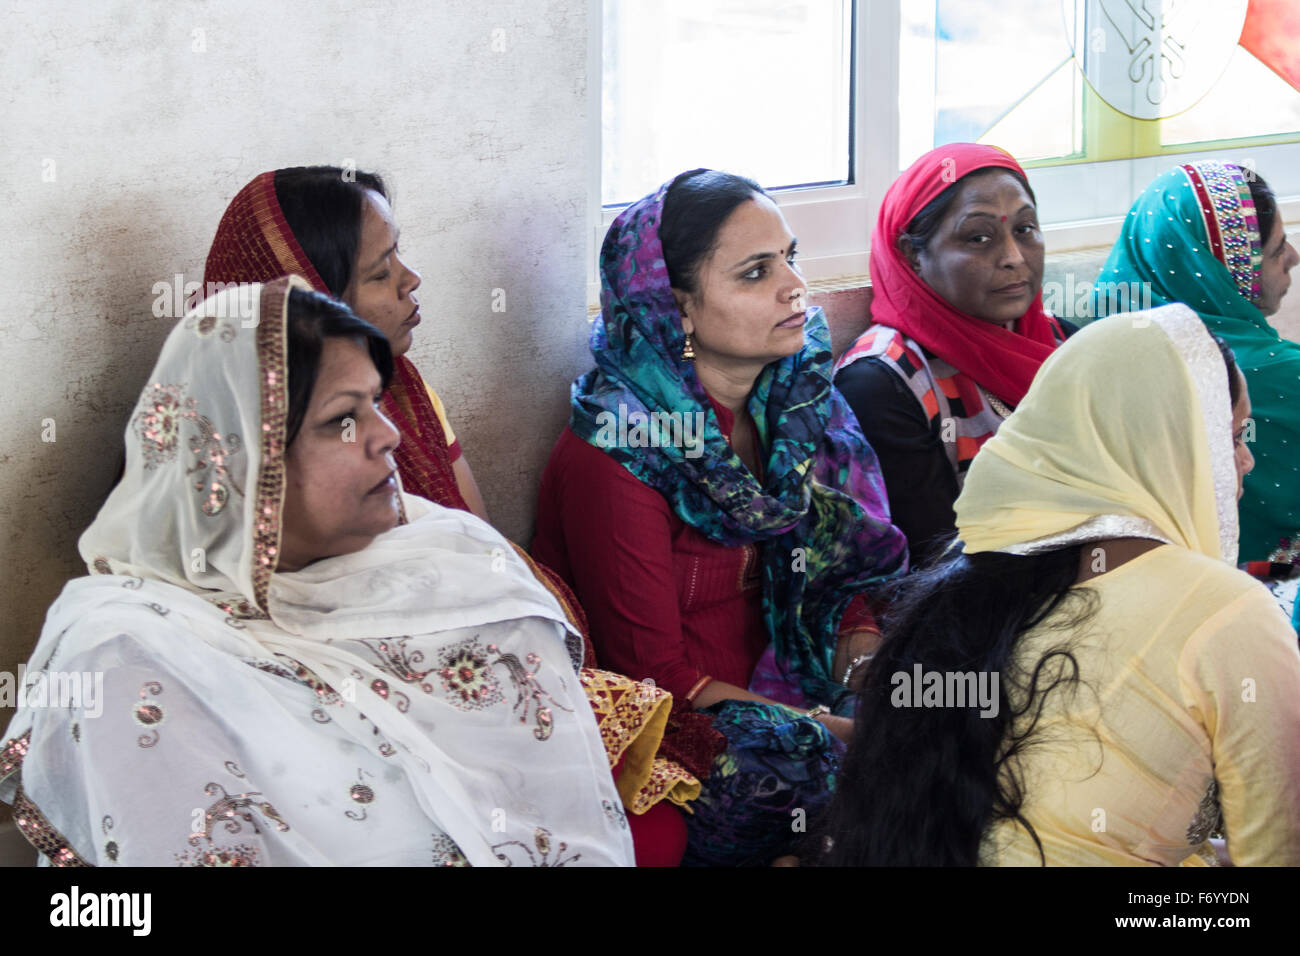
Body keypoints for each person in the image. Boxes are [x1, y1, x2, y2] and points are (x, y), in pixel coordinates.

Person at [0, 278, 657, 866]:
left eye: (377, 404)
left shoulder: (447, 559)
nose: (388, 436)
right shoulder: (133, 657)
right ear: (236, 465)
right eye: (344, 419)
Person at [816, 303, 1300, 866]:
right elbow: (1277, 851)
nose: (1244, 463)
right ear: (1167, 447)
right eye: (1231, 437)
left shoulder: (968, 574)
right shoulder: (1229, 610)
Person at [533, 169, 909, 866]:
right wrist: (842, 731)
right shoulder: (619, 454)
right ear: (677, 310)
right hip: (697, 731)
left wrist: (865, 668)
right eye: (756, 272)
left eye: (791, 257)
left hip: (802, 689)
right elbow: (656, 678)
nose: (795, 285)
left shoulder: (799, 405)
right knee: (821, 775)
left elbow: (847, 571)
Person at [835, 144, 1072, 567]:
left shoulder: (1061, 343)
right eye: (979, 238)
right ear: (912, 256)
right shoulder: (881, 382)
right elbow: (939, 558)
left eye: (1025, 229)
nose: (1014, 258)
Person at [204, 167, 489, 520]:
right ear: (316, 303)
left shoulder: (408, 395)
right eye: (381, 272)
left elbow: (483, 545)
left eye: (397, 252)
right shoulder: (232, 448)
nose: (412, 279)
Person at [1093, 161, 1300, 562]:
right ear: (1224, 274)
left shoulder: (1090, 346)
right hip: (1268, 590)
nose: (1293, 256)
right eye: (1276, 250)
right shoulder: (1278, 375)